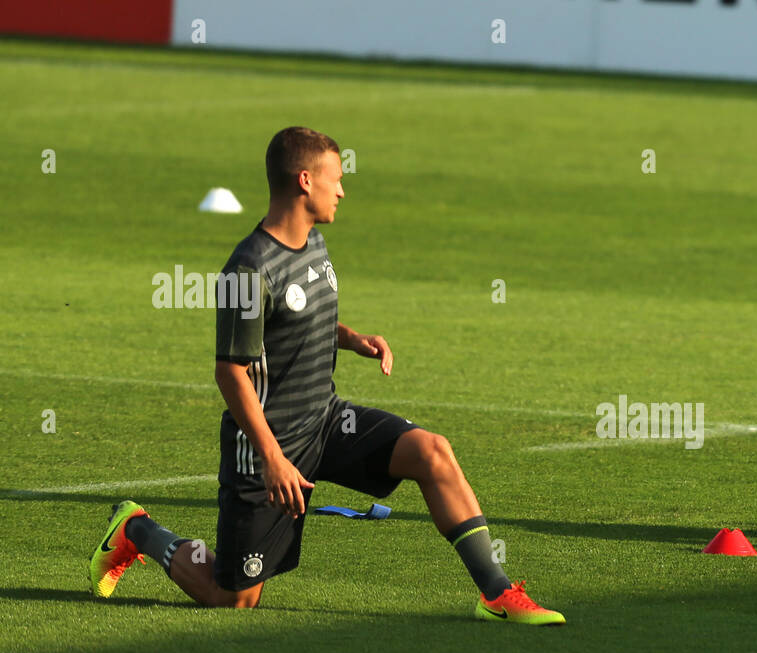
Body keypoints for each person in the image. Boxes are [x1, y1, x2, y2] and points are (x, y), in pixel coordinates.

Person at [91, 126, 564, 623]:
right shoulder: (247, 271)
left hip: (326, 420)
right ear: (304, 181)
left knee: (433, 451)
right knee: (233, 599)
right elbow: (230, 370)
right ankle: (136, 530)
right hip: (268, 447)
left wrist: (352, 337)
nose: (342, 190)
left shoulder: (313, 241)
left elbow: (299, 318)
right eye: (335, 179)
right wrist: (272, 458)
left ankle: (497, 594)